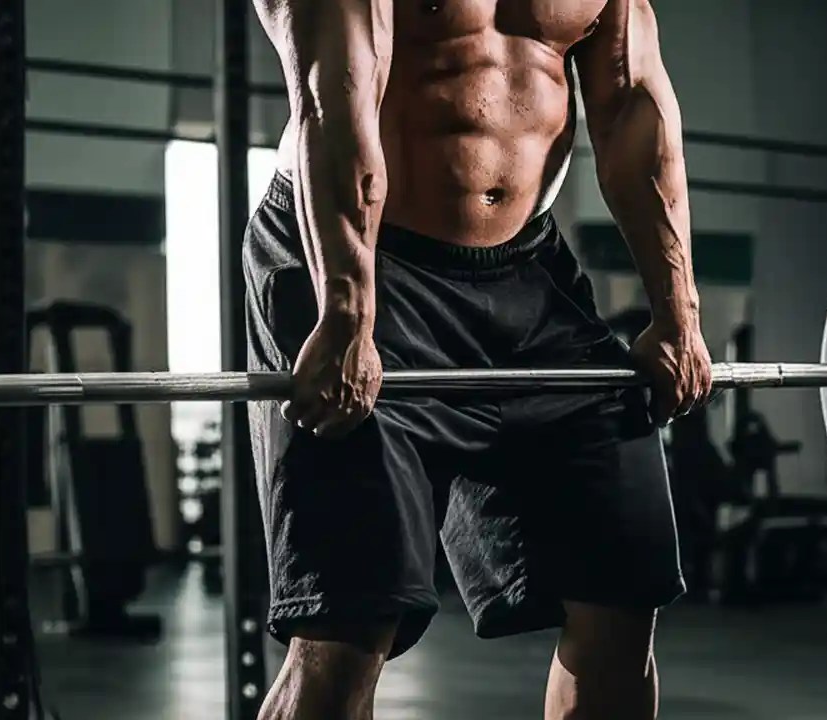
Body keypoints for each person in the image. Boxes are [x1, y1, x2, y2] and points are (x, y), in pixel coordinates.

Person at [243, 0, 712, 718]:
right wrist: (346, 310)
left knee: (622, 589)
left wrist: (677, 314)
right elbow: (332, 95)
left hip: (526, 270)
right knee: (347, 628)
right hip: (355, 251)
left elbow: (632, 109)